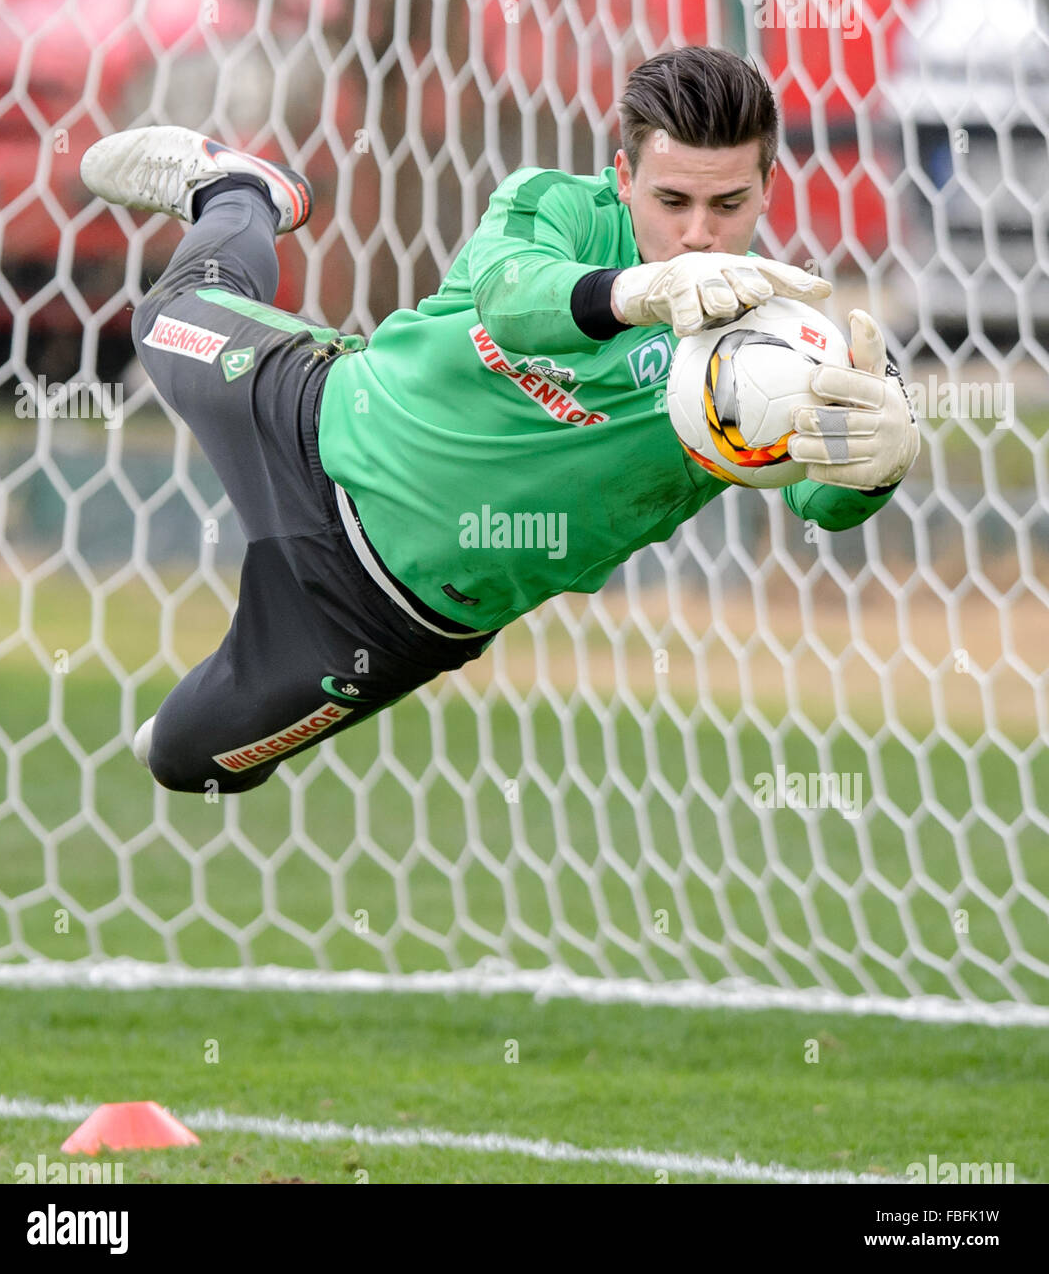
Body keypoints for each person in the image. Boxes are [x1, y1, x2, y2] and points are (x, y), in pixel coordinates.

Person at [80, 45, 919, 795]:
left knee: (186, 761)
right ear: (623, 178)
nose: (699, 235)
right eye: (672, 200)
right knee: (168, 318)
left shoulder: (775, 350)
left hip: (381, 616)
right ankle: (240, 195)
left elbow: (821, 497)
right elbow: (515, 298)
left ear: (769, 188)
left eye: (728, 204)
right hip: (314, 417)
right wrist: (635, 293)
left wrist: (876, 463)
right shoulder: (552, 206)